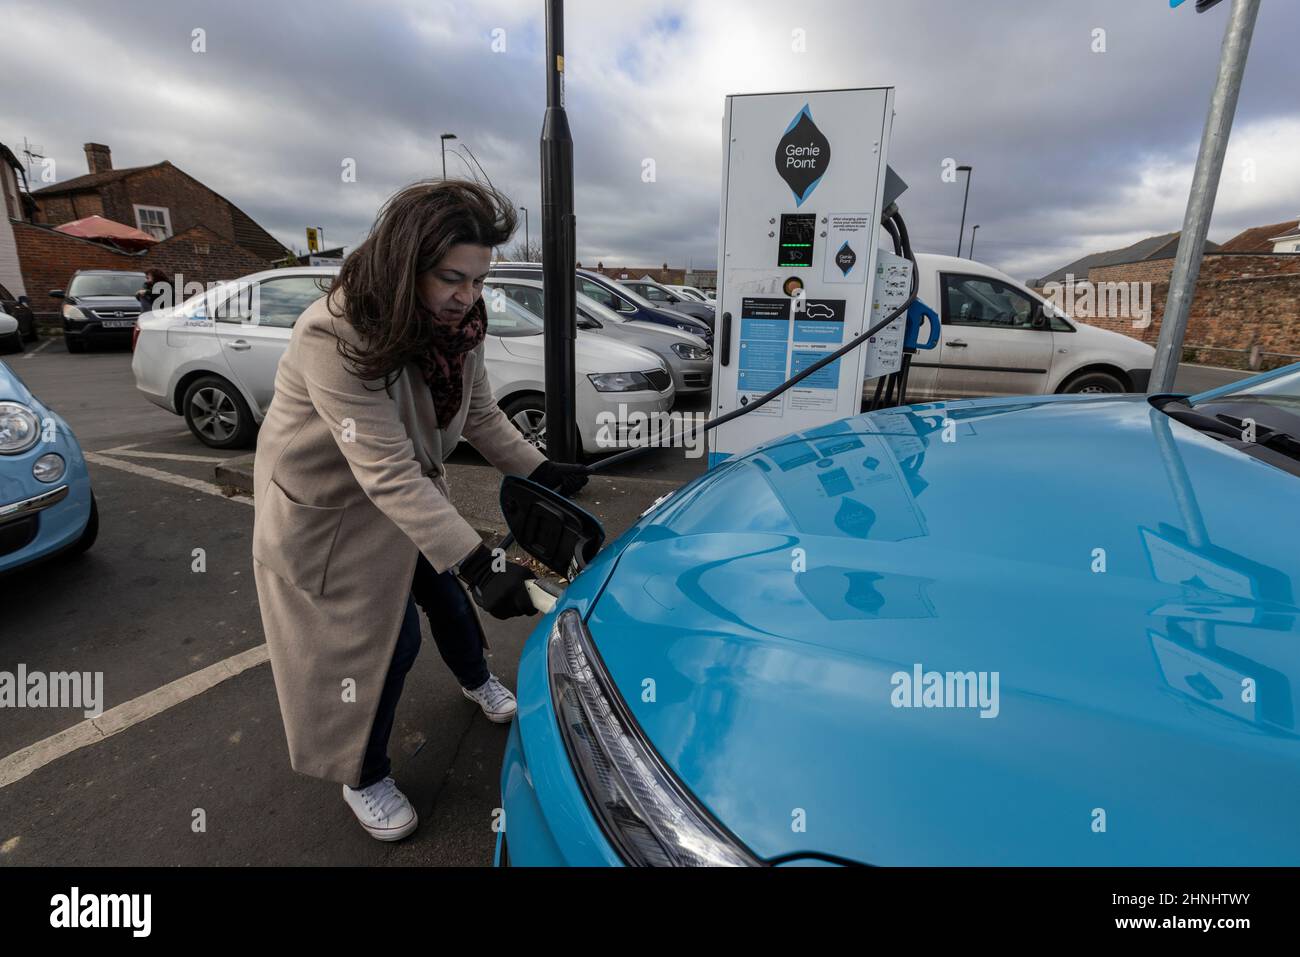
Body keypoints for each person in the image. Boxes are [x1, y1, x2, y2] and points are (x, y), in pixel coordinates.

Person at [251, 179, 588, 842]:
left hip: (403, 496)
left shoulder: (459, 327)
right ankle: (364, 773)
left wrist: (540, 469)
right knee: (388, 643)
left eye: (478, 280)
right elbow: (384, 468)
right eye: (451, 278)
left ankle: (475, 680)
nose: (468, 296)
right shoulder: (334, 332)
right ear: (406, 265)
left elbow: (482, 415)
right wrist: (477, 557)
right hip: (334, 513)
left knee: (451, 599)